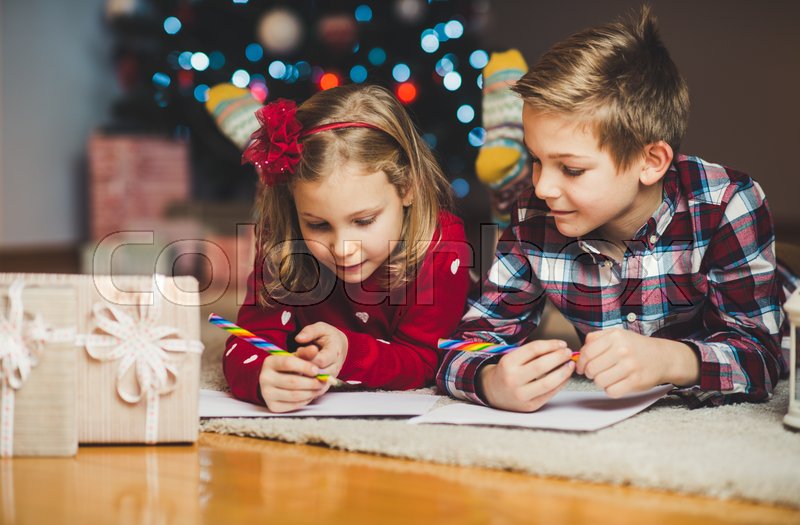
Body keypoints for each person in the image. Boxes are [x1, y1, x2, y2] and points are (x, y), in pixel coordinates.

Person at [437, 6, 792, 411]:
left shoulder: (727, 204)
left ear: (651, 162)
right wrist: (489, 379)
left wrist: (670, 359)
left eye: (571, 169)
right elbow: (467, 341)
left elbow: (762, 359)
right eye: (535, 159)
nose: (542, 186)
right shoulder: (534, 214)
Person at [224, 84, 471, 412]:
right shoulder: (284, 240)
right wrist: (262, 374)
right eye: (318, 224)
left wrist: (349, 353)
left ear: (408, 189)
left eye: (364, 221)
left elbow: (426, 361)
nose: (342, 248)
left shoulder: (442, 246)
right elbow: (251, 337)